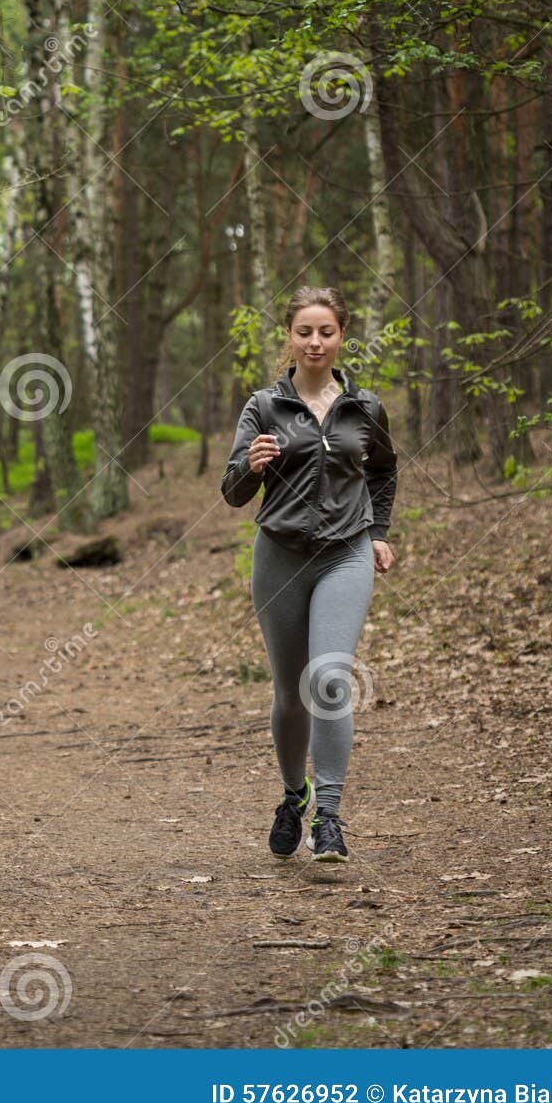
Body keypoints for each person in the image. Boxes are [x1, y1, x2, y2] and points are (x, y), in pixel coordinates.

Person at [219, 286, 398, 863]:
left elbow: (384, 472)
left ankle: (330, 817)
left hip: (346, 553)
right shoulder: (264, 408)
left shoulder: (364, 408)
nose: (315, 341)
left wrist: (379, 533)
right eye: (305, 332)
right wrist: (251, 466)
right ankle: (293, 796)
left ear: (341, 336)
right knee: (289, 693)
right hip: (280, 556)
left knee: (328, 681)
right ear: (289, 338)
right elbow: (231, 492)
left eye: (326, 331)